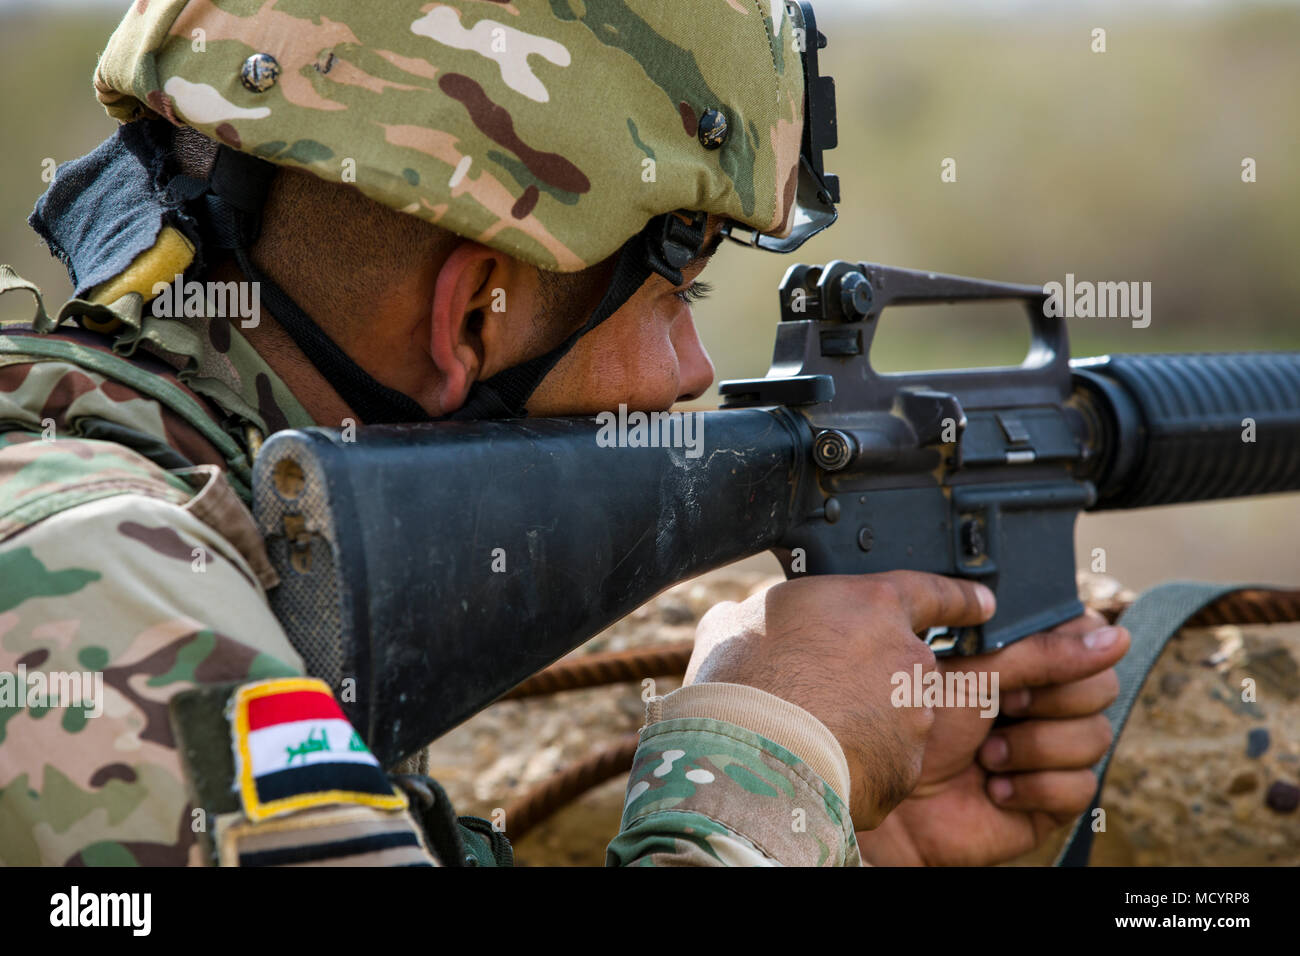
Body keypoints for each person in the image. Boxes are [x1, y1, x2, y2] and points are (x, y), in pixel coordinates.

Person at [0, 0, 1127, 867]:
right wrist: (764, 757)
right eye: (679, 287)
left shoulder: (190, 535)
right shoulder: (93, 592)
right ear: (472, 309)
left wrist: (837, 821)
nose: (693, 375)